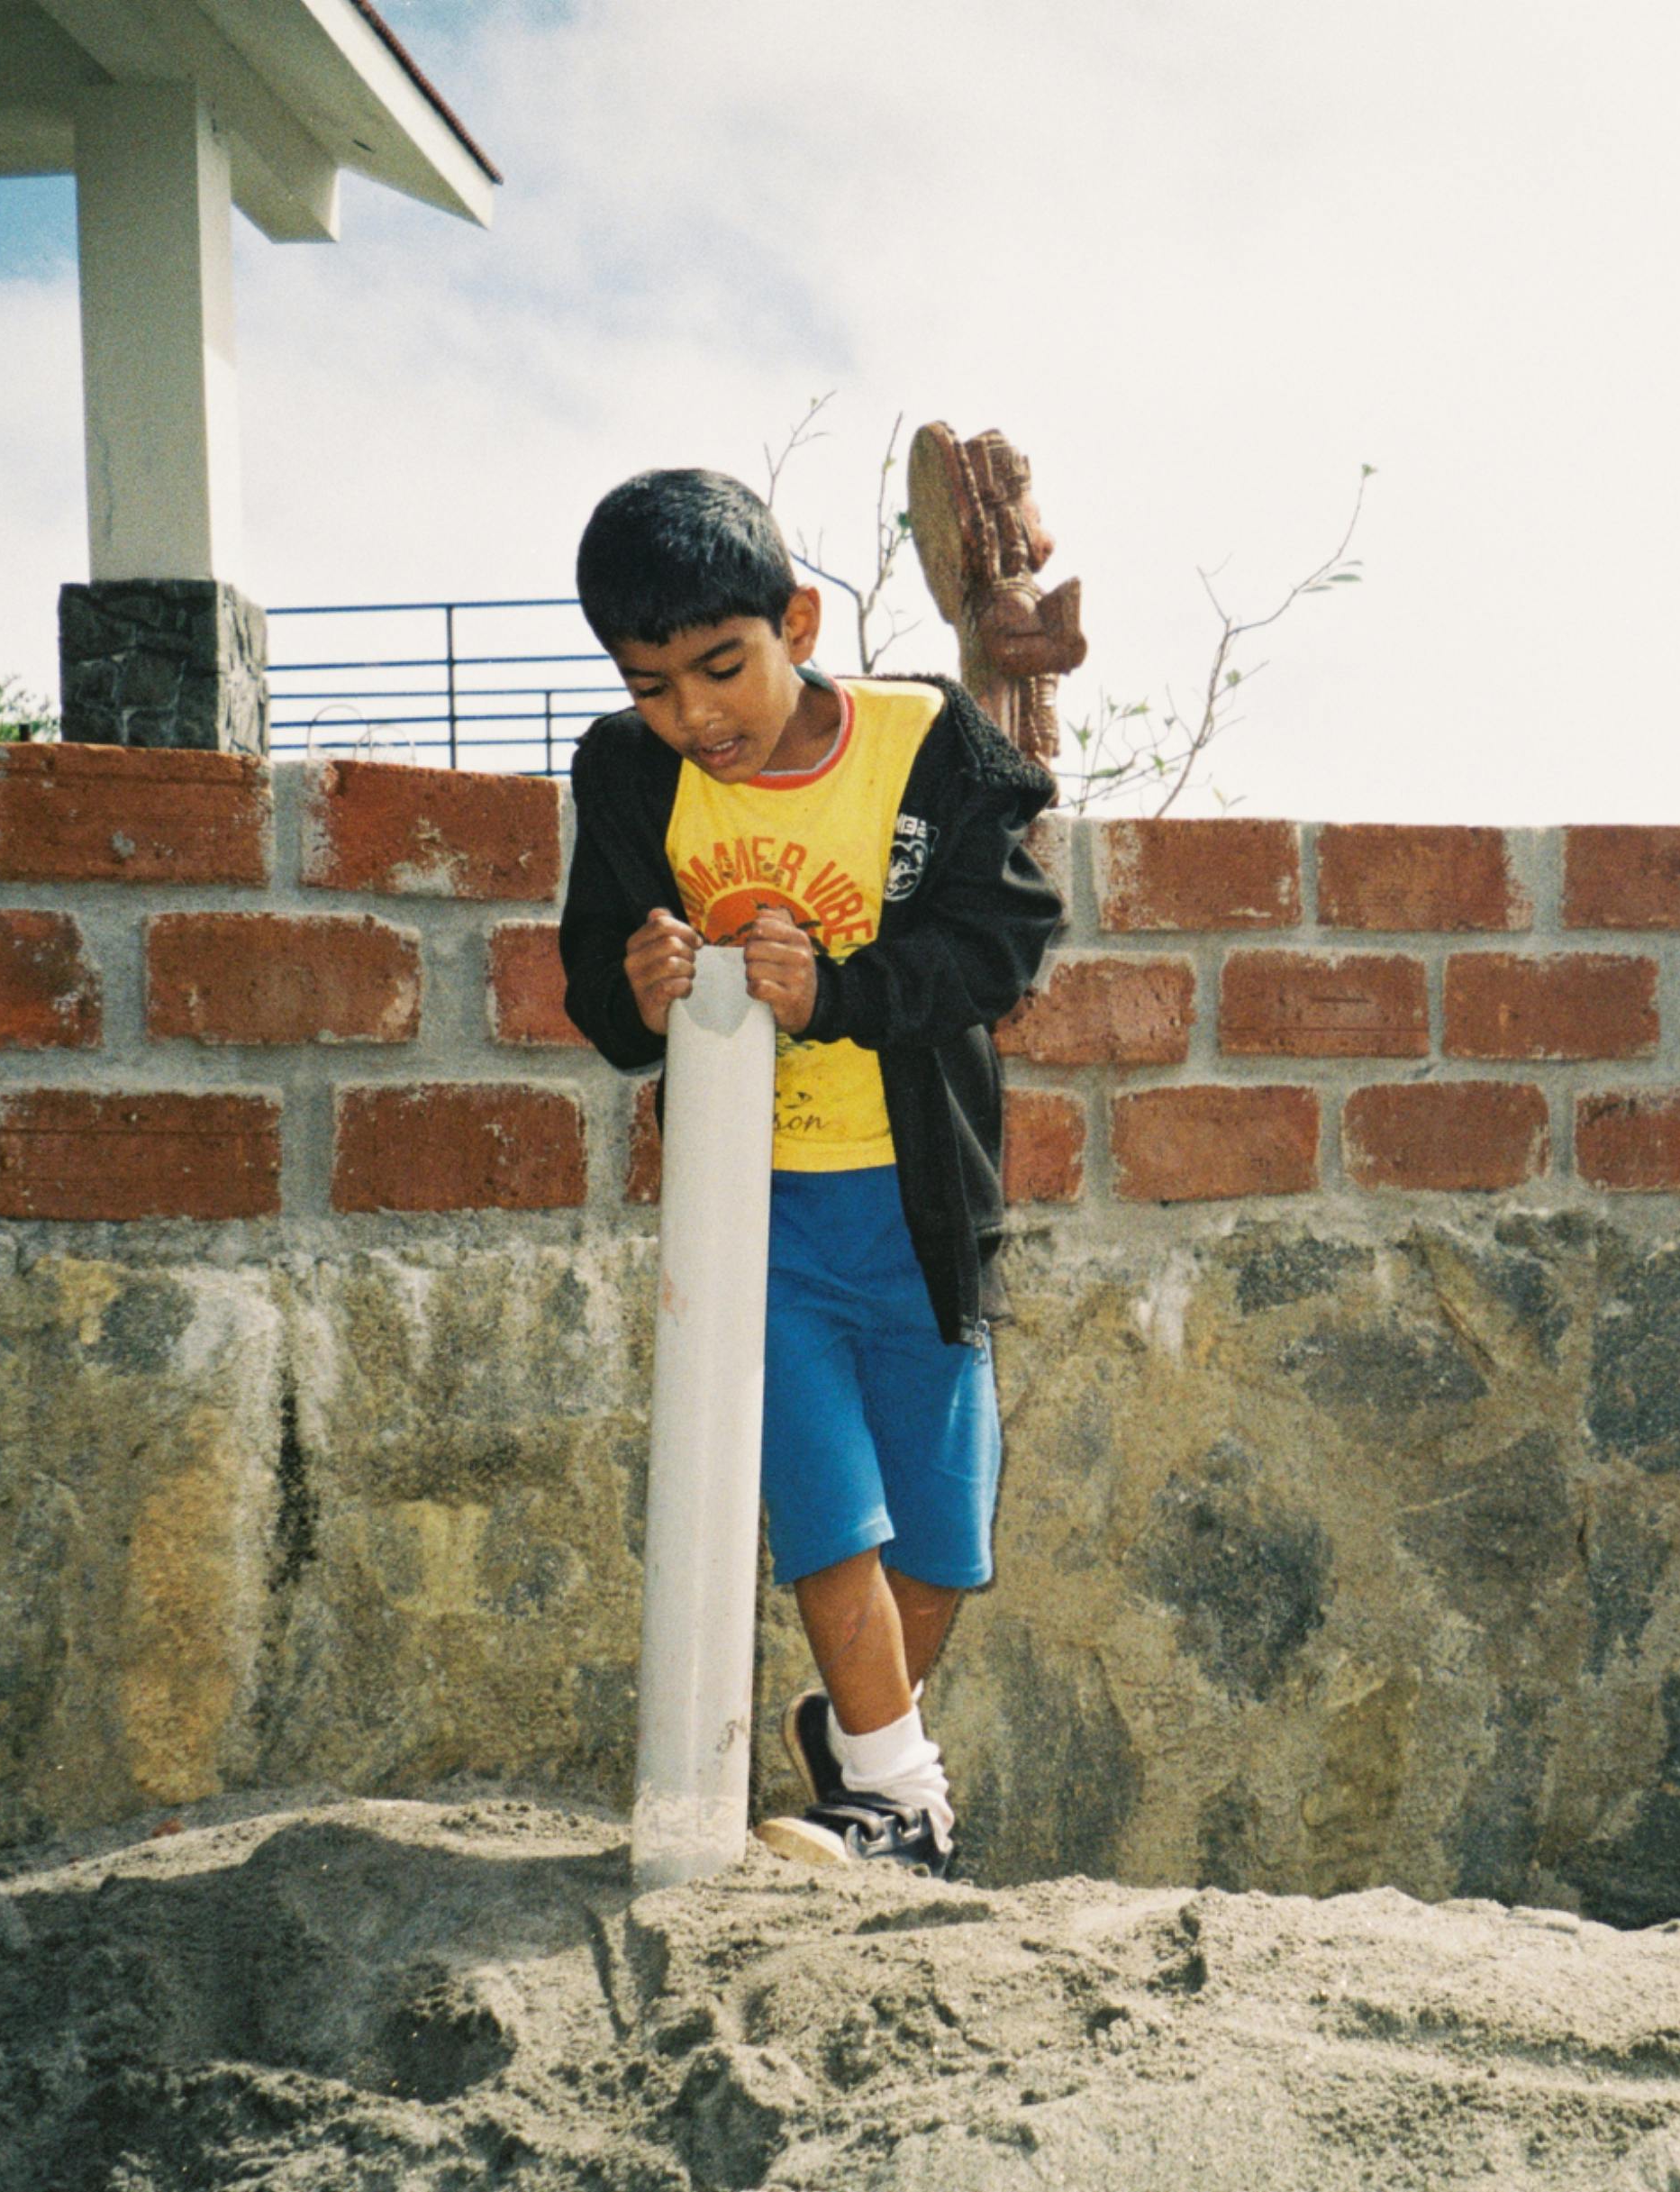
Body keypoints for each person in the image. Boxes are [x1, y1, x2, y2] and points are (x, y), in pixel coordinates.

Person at [558, 468, 1060, 1878]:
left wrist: (841, 990)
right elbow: (597, 991)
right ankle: (905, 1803)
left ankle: (856, 1743)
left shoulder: (925, 747)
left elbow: (1006, 942)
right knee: (830, 1515)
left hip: (919, 1209)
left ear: (798, 618)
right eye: (651, 685)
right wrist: (637, 984)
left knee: (945, 1546)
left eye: (722, 668)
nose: (693, 715)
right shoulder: (624, 773)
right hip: (748, 1217)